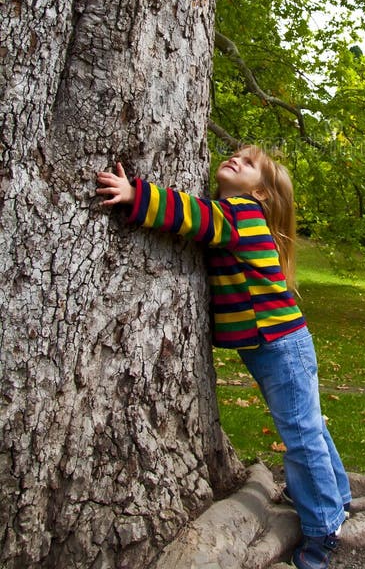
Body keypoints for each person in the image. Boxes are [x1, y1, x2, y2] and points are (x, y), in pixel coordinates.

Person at [96, 145, 351, 569]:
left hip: (280, 345)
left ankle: (323, 527)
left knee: (302, 434)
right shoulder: (238, 215)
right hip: (280, 344)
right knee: (309, 428)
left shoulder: (241, 212)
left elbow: (191, 215)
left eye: (248, 163)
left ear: (261, 193)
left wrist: (134, 194)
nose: (235, 159)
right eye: (236, 154)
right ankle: (336, 496)